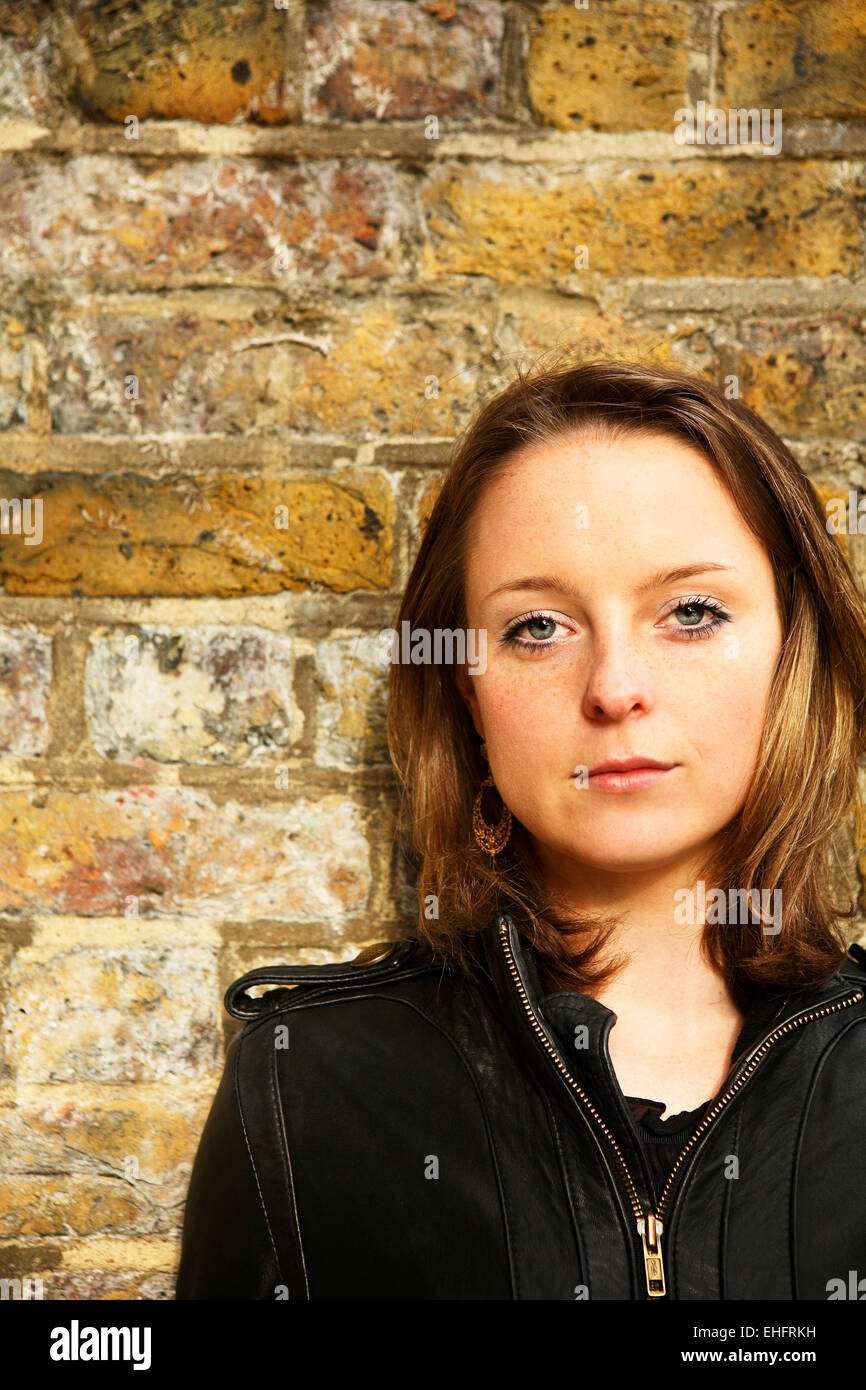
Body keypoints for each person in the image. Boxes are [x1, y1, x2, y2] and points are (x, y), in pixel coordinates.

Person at [175, 355, 866, 1300]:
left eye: (692, 612)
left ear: (797, 648)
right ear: (468, 689)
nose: (615, 687)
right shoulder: (312, 1089)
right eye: (537, 627)